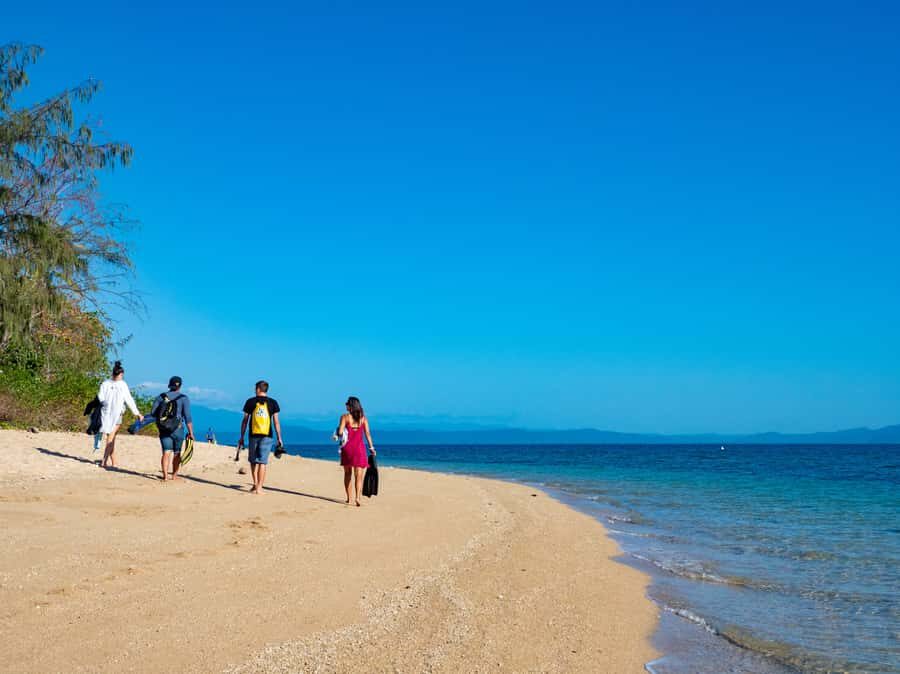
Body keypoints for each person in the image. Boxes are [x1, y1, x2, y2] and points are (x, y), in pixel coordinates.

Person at [237, 380, 283, 494]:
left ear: (258, 389)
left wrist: (241, 436)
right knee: (262, 462)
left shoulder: (250, 402)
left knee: (253, 461)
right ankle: (259, 488)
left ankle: (255, 483)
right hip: (267, 435)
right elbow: (276, 422)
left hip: (253, 435)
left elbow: (245, 421)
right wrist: (279, 438)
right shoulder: (273, 403)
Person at [97, 361, 143, 469]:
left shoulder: (105, 383)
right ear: (120, 374)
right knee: (111, 437)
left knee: (111, 437)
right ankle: (104, 461)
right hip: (117, 414)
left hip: (105, 414)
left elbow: (100, 397)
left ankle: (114, 462)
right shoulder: (122, 384)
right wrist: (137, 413)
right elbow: (129, 399)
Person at [150, 376, 195, 481]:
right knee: (177, 452)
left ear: (169, 385)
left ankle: (165, 476)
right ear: (180, 386)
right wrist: (191, 433)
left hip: (164, 428)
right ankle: (174, 476)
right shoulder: (184, 398)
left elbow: (153, 412)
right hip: (178, 429)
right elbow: (187, 417)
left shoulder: (161, 397)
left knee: (166, 452)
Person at [336, 396, 376, 506]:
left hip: (347, 449)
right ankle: (358, 498)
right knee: (359, 475)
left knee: (347, 473)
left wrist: (338, 431)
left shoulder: (344, 417)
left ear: (351, 405)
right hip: (359, 449)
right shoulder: (363, 419)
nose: (345, 405)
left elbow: (340, 432)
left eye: (347, 404)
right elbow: (368, 434)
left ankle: (349, 499)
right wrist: (372, 448)